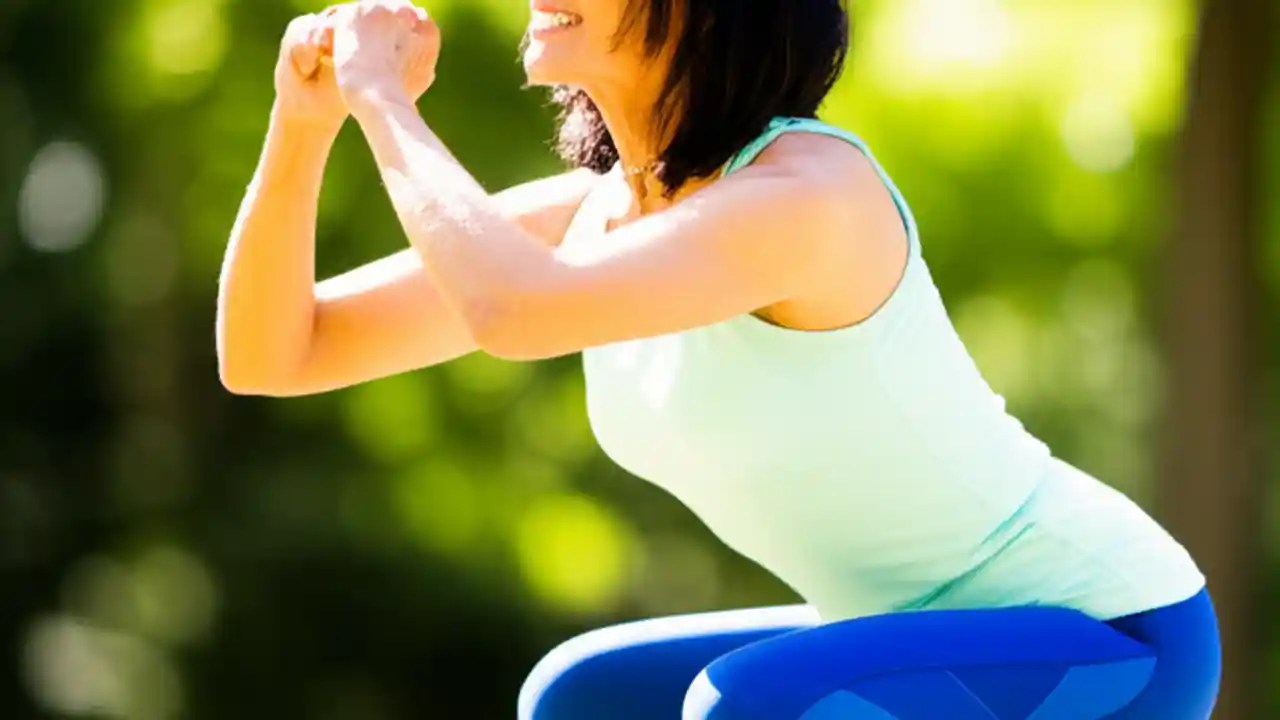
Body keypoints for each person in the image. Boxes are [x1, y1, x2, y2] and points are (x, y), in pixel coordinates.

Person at [215, 1, 1222, 717]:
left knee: (748, 710)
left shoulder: (805, 197)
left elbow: (514, 311)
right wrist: (305, 127)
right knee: (582, 701)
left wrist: (384, 99)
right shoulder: (593, 218)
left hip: (1113, 634)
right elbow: (275, 352)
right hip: (887, 641)